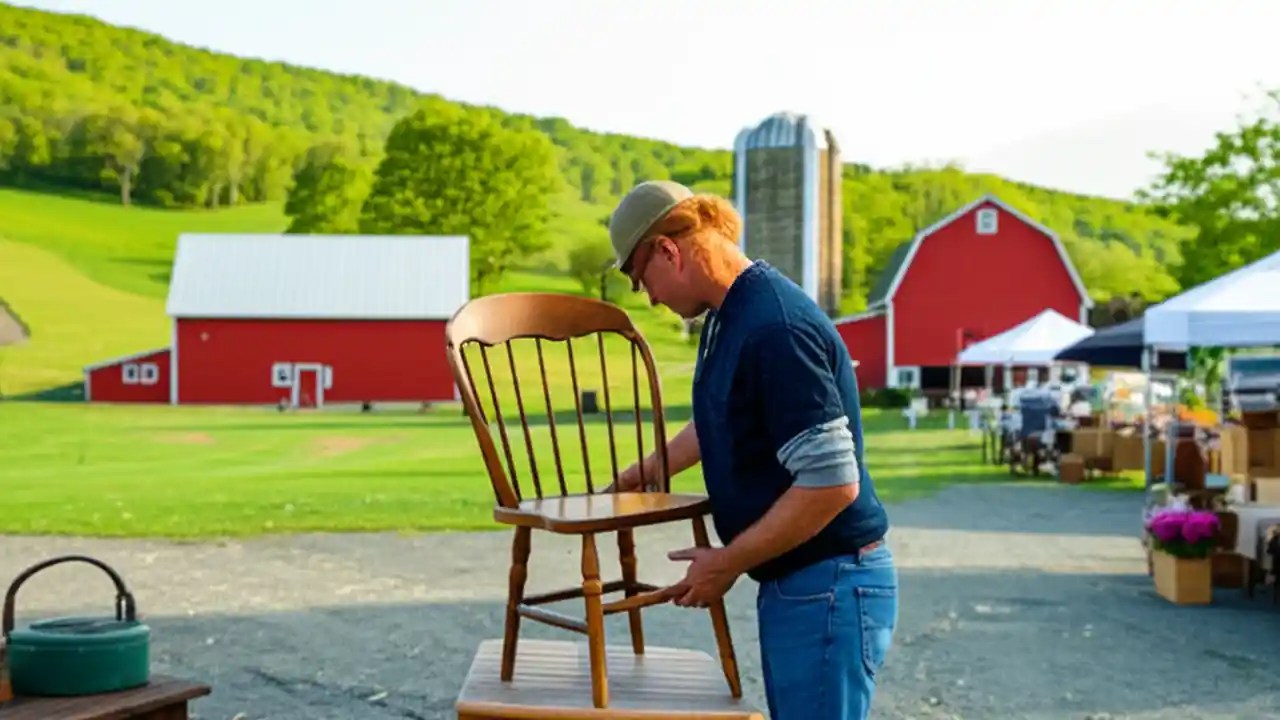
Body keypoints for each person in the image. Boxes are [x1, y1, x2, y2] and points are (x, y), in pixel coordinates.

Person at [605, 180, 898, 720]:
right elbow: (721, 418)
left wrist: (726, 562)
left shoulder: (774, 327)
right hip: (802, 583)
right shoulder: (728, 317)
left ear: (667, 251)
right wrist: (646, 471)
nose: (648, 296)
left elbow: (832, 482)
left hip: (828, 583)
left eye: (638, 277)